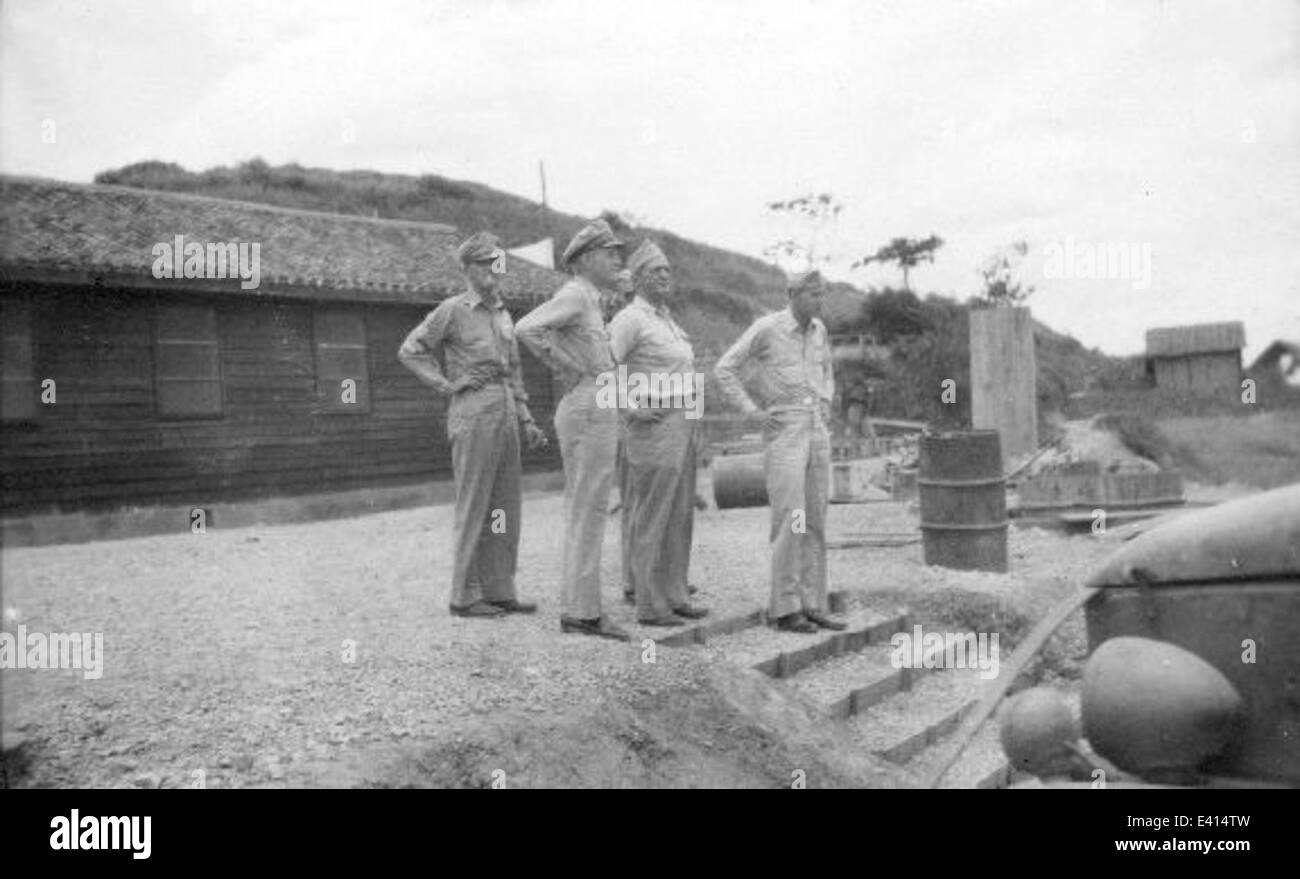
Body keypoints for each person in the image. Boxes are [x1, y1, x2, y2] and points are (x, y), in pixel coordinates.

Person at [397, 231, 548, 619]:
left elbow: (513, 369)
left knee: (504, 506)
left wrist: (527, 417)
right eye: (484, 262)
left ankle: (499, 588)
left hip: (506, 414)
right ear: (466, 268)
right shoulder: (453, 310)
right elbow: (411, 350)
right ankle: (464, 594)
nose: (493, 270)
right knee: (475, 504)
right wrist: (447, 385)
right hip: (473, 413)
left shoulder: (502, 313)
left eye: (497, 262)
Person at [713, 270, 848, 634]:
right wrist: (752, 411)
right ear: (792, 294)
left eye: (822, 294)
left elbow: (828, 372)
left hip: (816, 428)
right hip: (784, 428)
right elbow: (725, 368)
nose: (819, 301)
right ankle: (786, 608)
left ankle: (814, 602)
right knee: (792, 516)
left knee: (816, 517)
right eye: (812, 294)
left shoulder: (819, 331)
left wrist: (826, 402)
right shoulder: (767, 328)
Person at [516, 219, 629, 641]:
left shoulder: (592, 300)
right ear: (584, 260)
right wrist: (565, 363)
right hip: (586, 403)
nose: (616, 257)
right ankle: (581, 613)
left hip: (596, 402)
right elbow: (525, 327)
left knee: (591, 507)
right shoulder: (575, 295)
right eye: (608, 252)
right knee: (587, 508)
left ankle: (583, 608)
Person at [608, 239, 709, 626]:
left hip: (683, 425)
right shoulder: (630, 319)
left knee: (680, 515)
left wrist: (696, 424)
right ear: (636, 280)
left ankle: (675, 593)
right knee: (653, 515)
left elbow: (688, 374)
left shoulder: (667, 319)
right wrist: (629, 406)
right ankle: (650, 604)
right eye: (655, 271)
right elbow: (604, 365)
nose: (665, 276)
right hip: (654, 426)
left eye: (667, 270)